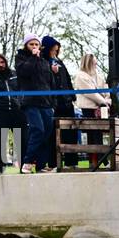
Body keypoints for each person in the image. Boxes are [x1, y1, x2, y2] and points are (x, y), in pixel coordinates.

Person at [15, 36, 55, 172]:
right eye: (31, 44)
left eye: (36, 44)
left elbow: (49, 82)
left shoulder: (44, 61)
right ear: (26, 45)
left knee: (47, 132)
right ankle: (27, 161)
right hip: (30, 101)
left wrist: (52, 101)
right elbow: (25, 72)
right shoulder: (20, 58)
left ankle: (41, 165)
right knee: (38, 129)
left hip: (46, 102)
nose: (34, 46)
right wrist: (33, 58)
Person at [41, 36, 76, 169]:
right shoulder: (43, 62)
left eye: (57, 50)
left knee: (71, 132)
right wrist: (53, 72)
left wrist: (72, 96)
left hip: (67, 102)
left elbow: (67, 79)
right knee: (53, 135)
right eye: (53, 50)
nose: (55, 52)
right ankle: (53, 163)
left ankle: (71, 162)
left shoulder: (60, 62)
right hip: (53, 103)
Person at [73, 53, 109, 162]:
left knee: (99, 134)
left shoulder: (98, 76)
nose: (95, 65)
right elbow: (90, 93)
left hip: (101, 108)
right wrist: (104, 101)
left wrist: (107, 100)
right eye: (94, 63)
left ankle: (102, 159)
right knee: (92, 135)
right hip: (88, 108)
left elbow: (106, 89)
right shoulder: (81, 76)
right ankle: (95, 160)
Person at [0, 53, 24, 168]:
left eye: (2, 62)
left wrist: (21, 104)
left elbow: (21, 91)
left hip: (16, 111)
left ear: (6, 62)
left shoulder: (15, 74)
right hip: (1, 112)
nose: (0, 65)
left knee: (21, 139)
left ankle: (23, 165)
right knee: (0, 140)